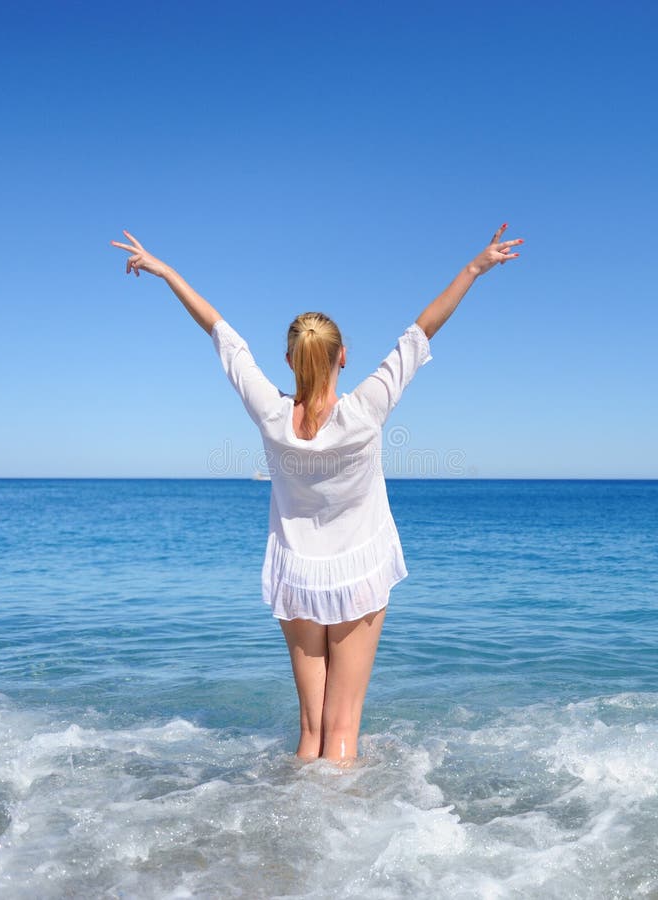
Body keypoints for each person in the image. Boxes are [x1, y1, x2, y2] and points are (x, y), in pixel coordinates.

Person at [110, 224, 523, 765]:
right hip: (357, 570)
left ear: (290, 361)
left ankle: (293, 835)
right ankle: (336, 844)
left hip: (296, 574)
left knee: (311, 729)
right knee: (343, 727)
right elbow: (421, 333)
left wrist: (165, 272)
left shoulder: (271, 413)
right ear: (343, 356)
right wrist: (475, 267)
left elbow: (222, 335)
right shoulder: (365, 409)